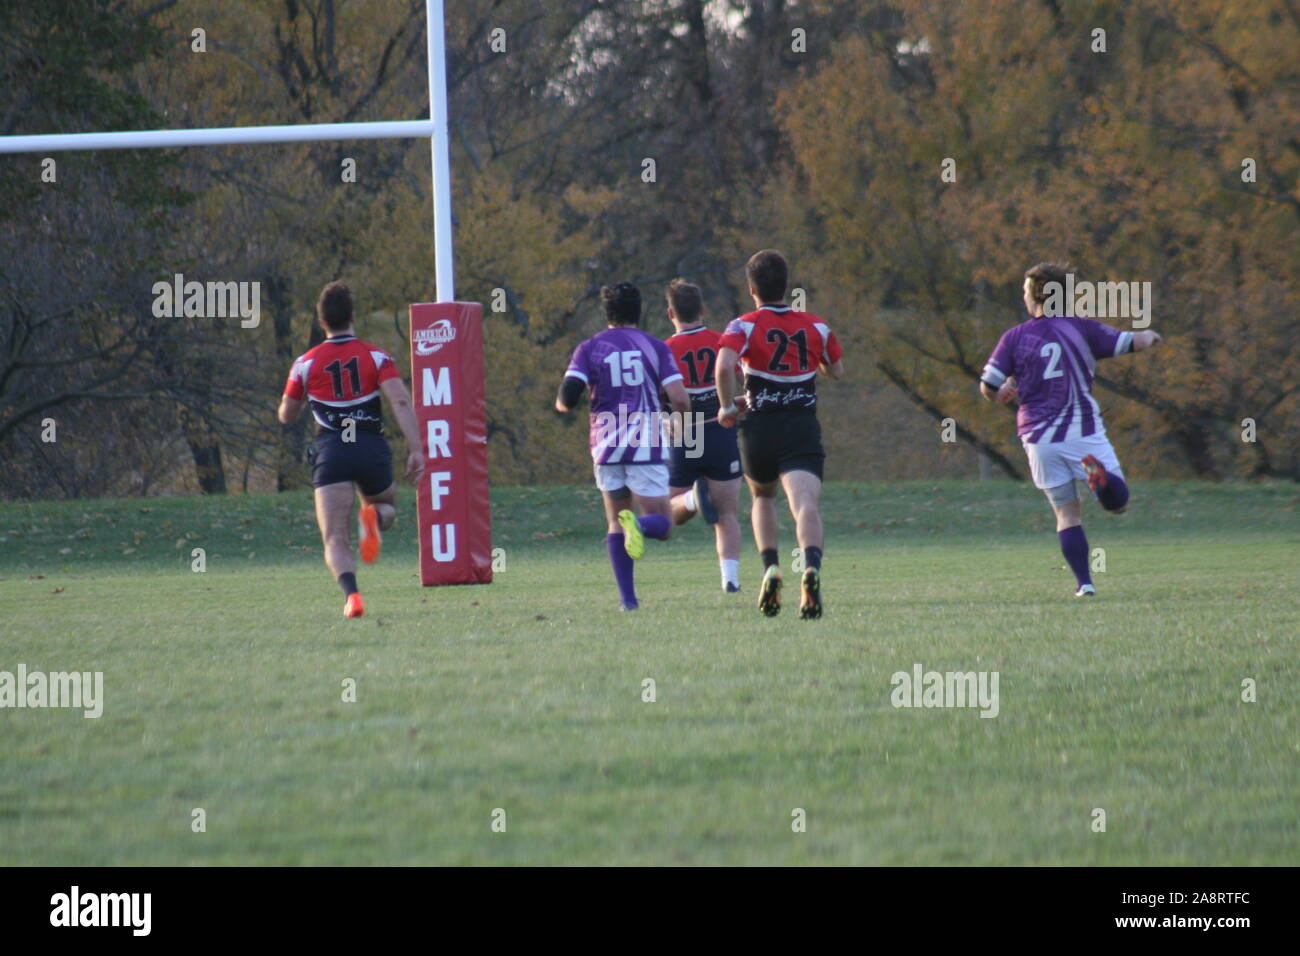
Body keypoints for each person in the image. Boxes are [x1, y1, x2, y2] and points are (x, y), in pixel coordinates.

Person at [980, 262, 1162, 597]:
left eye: (1025, 291)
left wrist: (999, 393)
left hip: (1038, 438)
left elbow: (988, 384)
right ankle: (1097, 477)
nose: (1023, 296)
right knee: (1118, 504)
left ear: (1036, 297)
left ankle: (1085, 584)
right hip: (1082, 430)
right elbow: (1131, 342)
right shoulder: (1081, 328)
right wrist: (1149, 335)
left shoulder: (1015, 338)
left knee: (1066, 514)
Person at [278, 281, 424, 618]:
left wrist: (302, 399)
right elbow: (400, 401)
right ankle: (373, 517)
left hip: (332, 452)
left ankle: (353, 597)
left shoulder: (305, 363)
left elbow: (286, 415)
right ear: (353, 317)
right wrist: (416, 449)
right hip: (369, 447)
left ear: (321, 322)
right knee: (386, 506)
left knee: (335, 538)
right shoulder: (377, 357)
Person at [716, 250, 844, 619]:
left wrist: (726, 407)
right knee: (804, 504)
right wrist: (813, 363)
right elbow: (836, 371)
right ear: (786, 286)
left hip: (759, 428)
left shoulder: (742, 326)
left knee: (763, 497)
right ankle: (811, 569)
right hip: (800, 427)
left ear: (751, 289)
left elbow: (723, 367)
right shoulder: (816, 326)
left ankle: (771, 567)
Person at [556, 281, 690, 610]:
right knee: (664, 525)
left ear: (606, 312)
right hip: (644, 445)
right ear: (639, 311)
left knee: (616, 521)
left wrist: (563, 405)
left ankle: (628, 601)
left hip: (606, 447)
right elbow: (679, 398)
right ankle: (640, 526)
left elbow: (567, 398)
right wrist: (679, 422)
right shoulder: (655, 347)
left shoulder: (589, 348)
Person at [662, 279, 745, 593]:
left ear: (671, 313)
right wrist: (739, 403)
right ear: (702, 310)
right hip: (721, 429)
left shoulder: (664, 350)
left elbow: (658, 398)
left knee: (668, 515)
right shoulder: (721, 342)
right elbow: (745, 378)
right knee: (726, 513)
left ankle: (692, 500)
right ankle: (730, 580)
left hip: (685, 433)